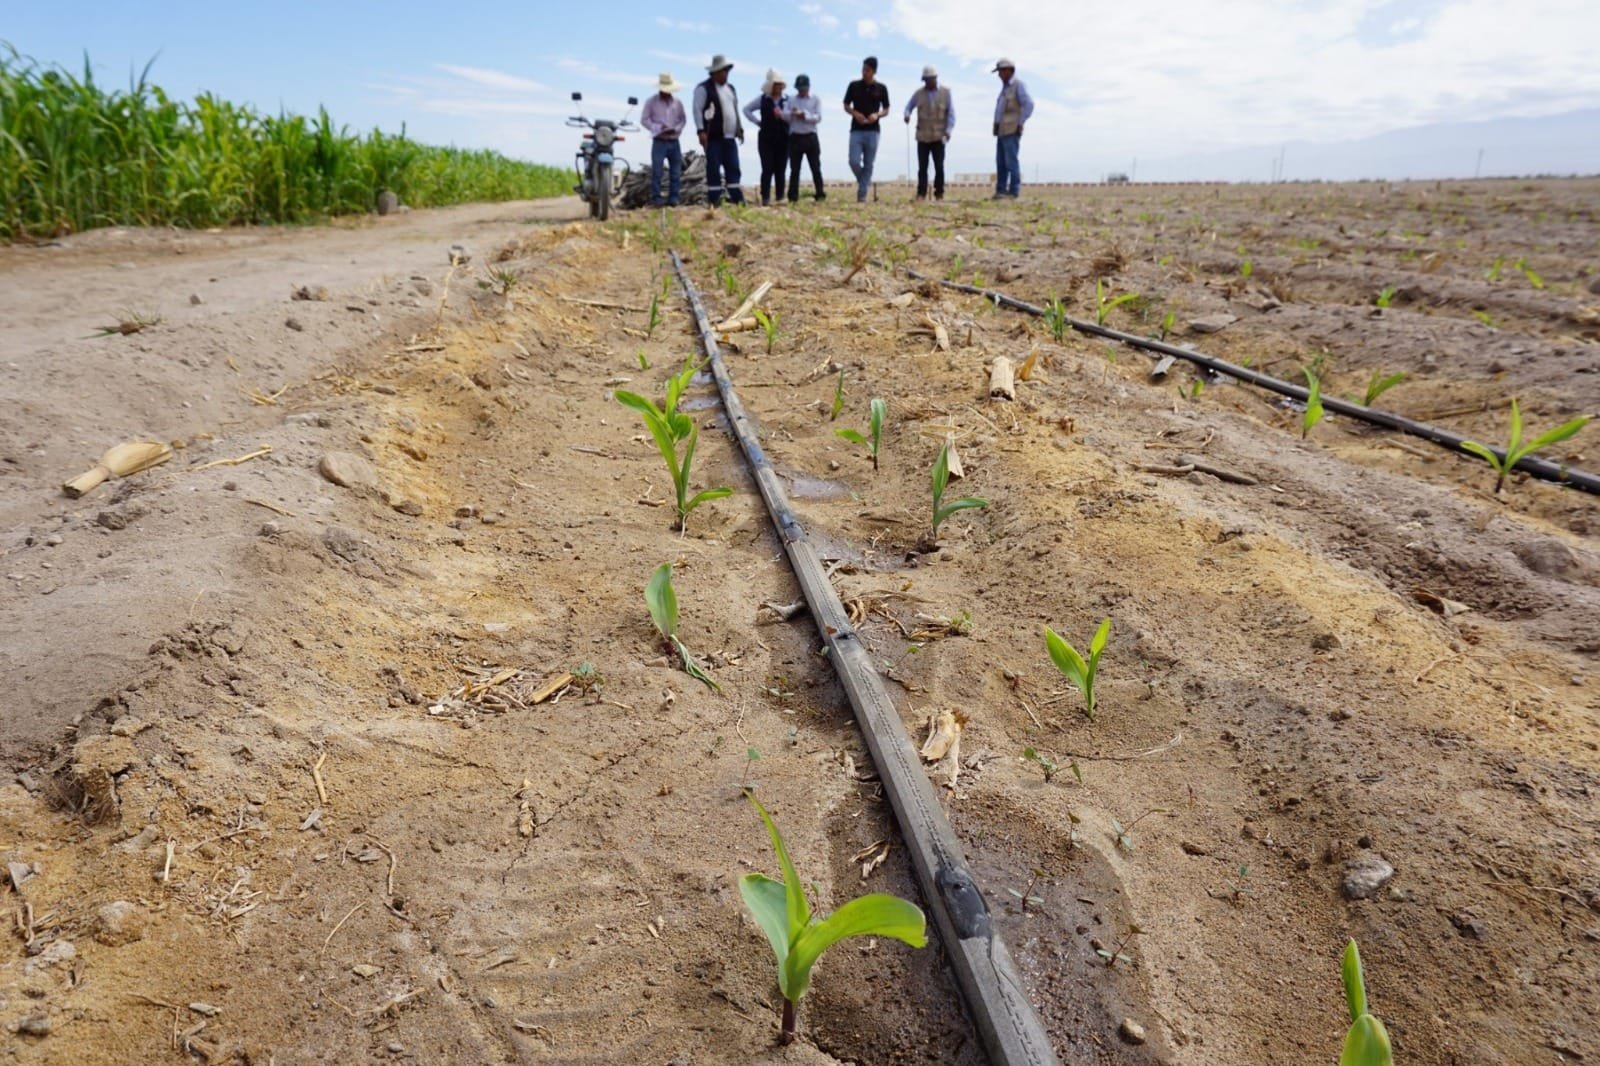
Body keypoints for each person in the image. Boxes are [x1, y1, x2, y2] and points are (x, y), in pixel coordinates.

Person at [693, 54, 746, 206]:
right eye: (723, 71)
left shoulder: (731, 89)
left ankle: (736, 197)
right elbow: (697, 110)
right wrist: (700, 130)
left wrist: (739, 128)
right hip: (714, 136)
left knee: (733, 167)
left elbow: (734, 110)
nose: (725, 74)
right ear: (715, 73)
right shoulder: (704, 89)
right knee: (714, 168)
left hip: (730, 137)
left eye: (726, 71)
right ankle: (714, 199)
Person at [902, 65, 954, 201]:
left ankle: (939, 194)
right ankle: (921, 193)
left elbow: (951, 114)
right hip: (922, 136)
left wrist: (948, 131)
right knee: (922, 167)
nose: (927, 82)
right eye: (925, 80)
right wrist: (907, 115)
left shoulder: (946, 92)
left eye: (929, 80)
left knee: (939, 166)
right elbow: (908, 106)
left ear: (935, 79)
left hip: (939, 136)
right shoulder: (918, 93)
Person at [842, 56, 890, 203]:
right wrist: (855, 113)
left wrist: (878, 114)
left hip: (873, 131)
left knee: (869, 163)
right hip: (856, 130)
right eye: (863, 69)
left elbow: (887, 109)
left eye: (867, 70)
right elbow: (846, 105)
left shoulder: (881, 88)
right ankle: (865, 181)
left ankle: (862, 195)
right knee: (853, 161)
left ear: (874, 71)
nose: (864, 72)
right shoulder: (854, 85)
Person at [742, 70, 790, 205]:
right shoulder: (763, 99)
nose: (778, 87)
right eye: (775, 84)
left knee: (781, 168)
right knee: (767, 168)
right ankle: (766, 198)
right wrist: (757, 122)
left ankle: (780, 196)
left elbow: (793, 117)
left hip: (783, 137)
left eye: (779, 84)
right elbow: (746, 109)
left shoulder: (788, 100)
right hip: (766, 138)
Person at [640, 72, 686, 207]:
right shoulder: (651, 102)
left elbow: (683, 119)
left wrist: (676, 129)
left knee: (676, 171)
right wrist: (658, 127)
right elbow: (644, 120)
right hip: (659, 140)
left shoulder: (678, 103)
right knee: (657, 171)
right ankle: (656, 198)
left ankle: (674, 198)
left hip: (674, 140)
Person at [990, 58, 1034, 199]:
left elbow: (1029, 105)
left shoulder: (1018, 85)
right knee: (1001, 162)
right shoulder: (1005, 88)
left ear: (1009, 70)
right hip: (1002, 131)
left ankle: (1014, 192)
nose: (999, 75)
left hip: (1012, 130)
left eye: (1001, 71)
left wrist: (1020, 123)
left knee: (1011, 162)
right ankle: (1001, 191)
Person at [782, 74, 824, 203]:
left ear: (808, 87)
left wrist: (804, 115)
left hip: (810, 137)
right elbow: (784, 115)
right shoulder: (791, 100)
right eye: (799, 88)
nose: (801, 91)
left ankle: (820, 193)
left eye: (804, 88)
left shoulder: (816, 99)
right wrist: (793, 114)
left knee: (815, 167)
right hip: (795, 137)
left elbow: (818, 117)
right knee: (794, 169)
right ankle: (793, 196)